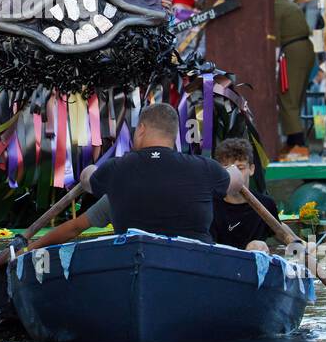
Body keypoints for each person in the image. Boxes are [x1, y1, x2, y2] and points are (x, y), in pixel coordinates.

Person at [25, 103, 246, 252]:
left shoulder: (115, 170)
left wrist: (90, 170)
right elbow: (236, 182)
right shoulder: (206, 169)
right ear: (174, 136)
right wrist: (231, 172)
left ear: (141, 129)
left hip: (133, 260)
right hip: (194, 264)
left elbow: (87, 181)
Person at [209, 137, 276, 252]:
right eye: (227, 168)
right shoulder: (210, 206)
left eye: (240, 168)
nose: (234, 174)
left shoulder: (266, 204)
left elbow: (282, 234)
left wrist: (301, 244)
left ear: (251, 169)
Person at [274, 0, 315, 160]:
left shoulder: (277, 6)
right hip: (303, 49)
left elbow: (272, 36)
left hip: (292, 51)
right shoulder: (289, 5)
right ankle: (293, 141)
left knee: (287, 97)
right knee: (294, 98)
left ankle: (298, 144)